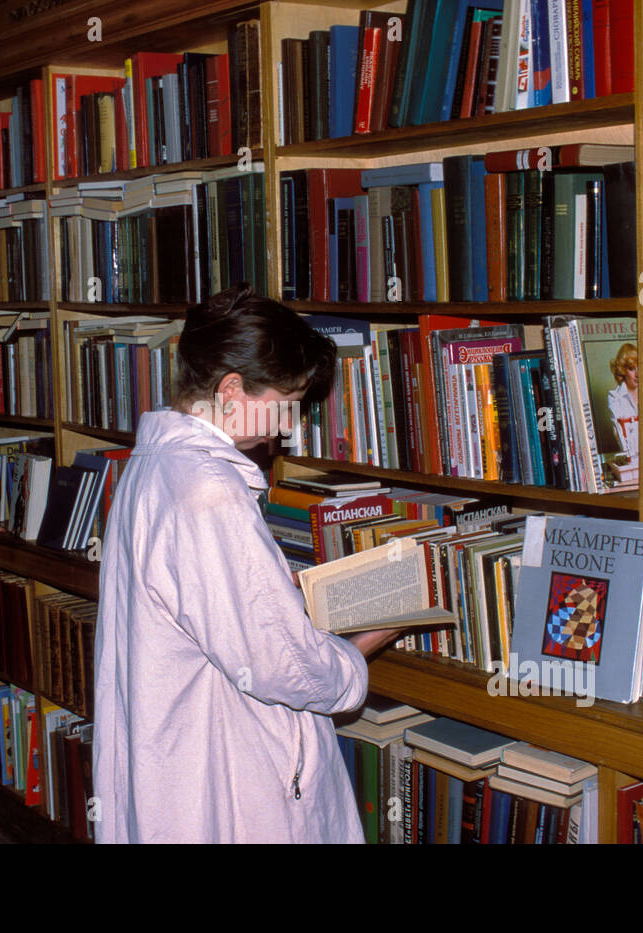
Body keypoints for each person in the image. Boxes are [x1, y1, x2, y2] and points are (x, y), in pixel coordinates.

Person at [92, 284, 400, 844]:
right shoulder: (208, 491)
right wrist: (362, 649)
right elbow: (283, 669)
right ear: (231, 389)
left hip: (183, 750)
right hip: (231, 771)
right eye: (287, 401)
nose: (289, 425)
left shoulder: (157, 463)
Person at [606, 342, 639, 462]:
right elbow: (620, 436)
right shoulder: (614, 398)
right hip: (633, 460)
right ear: (622, 370)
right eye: (631, 369)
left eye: (640, 367)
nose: (638, 374)